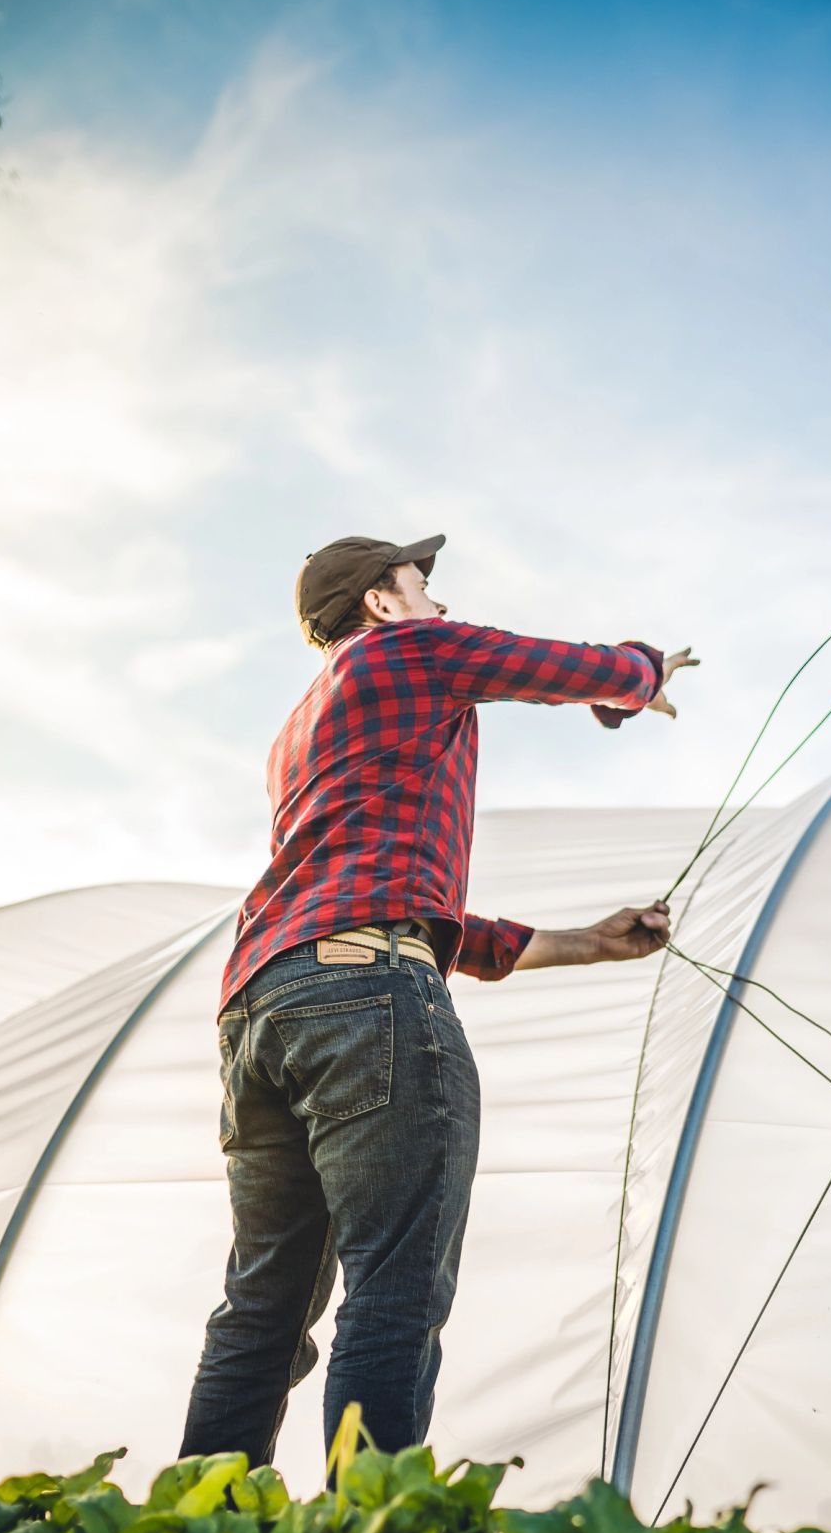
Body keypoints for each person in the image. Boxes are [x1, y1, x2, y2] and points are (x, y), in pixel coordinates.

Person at [179, 532, 696, 1472]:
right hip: (363, 996)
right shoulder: (412, 650)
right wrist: (640, 673)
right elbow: (562, 667)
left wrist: (590, 941)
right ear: (381, 604)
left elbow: (400, 904)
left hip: (261, 1008)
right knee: (394, 1290)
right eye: (422, 585)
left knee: (261, 1310)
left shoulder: (301, 728)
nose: (441, 605)